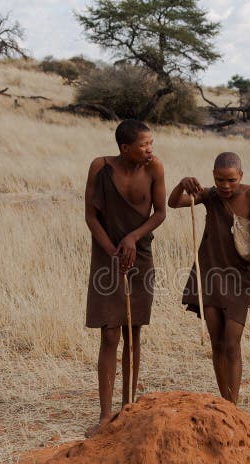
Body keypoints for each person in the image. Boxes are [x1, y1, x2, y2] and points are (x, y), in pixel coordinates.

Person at [84, 119, 166, 436]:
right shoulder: (100, 167)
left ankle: (128, 406)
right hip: (108, 255)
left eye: (151, 144)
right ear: (125, 148)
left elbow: (160, 213)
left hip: (140, 253)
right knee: (109, 332)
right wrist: (112, 251)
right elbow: (90, 215)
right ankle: (105, 415)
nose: (150, 150)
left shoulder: (154, 167)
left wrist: (132, 238)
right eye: (144, 145)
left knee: (133, 331)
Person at [168, 152, 250, 404]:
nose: (225, 186)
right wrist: (182, 183)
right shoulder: (210, 195)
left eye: (231, 180)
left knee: (232, 342)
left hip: (239, 277)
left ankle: (232, 406)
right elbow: (173, 203)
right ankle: (224, 402)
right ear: (213, 176)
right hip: (210, 274)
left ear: (241, 176)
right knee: (217, 343)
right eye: (220, 180)